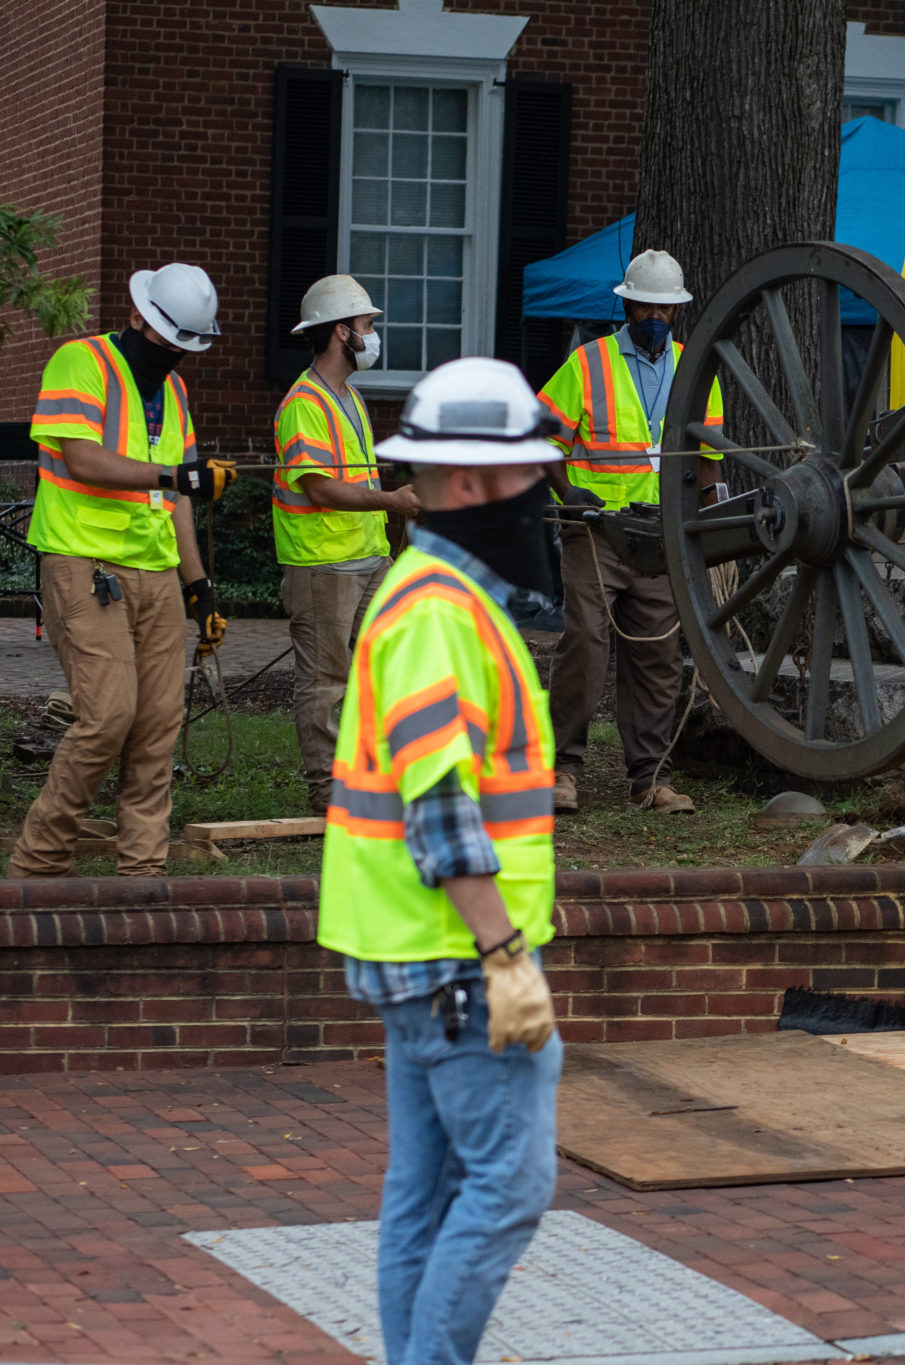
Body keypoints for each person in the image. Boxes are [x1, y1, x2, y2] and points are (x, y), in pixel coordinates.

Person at [317, 356, 562, 1365]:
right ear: (469, 481)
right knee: (507, 1188)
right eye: (524, 477)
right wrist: (504, 955)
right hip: (455, 964)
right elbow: (441, 808)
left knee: (422, 1198)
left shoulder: (433, 598)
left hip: (415, 957)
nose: (536, 495)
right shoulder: (435, 612)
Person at [8, 264, 236, 878]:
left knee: (158, 724)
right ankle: (36, 867)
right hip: (83, 562)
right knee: (107, 716)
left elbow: (179, 498)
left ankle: (142, 874)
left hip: (157, 571)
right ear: (138, 316)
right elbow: (82, 460)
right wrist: (175, 476)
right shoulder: (78, 363)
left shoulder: (176, 392)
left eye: (185, 347)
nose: (172, 356)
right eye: (167, 342)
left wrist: (199, 588)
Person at [536, 248, 722, 815]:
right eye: (648, 308)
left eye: (667, 309)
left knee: (658, 659)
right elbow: (540, 441)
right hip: (596, 532)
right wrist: (568, 494)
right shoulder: (586, 364)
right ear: (629, 304)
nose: (657, 319)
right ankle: (562, 771)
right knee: (587, 647)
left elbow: (708, 456)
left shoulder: (695, 367)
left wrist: (708, 524)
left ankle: (649, 780)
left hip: (659, 538)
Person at [275, 274, 422, 809]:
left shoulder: (349, 398)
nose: (372, 335)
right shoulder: (304, 403)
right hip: (322, 563)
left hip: (366, 556)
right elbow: (318, 485)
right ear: (342, 332)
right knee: (326, 679)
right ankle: (329, 789)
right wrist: (393, 503)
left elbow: (361, 478)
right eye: (366, 326)